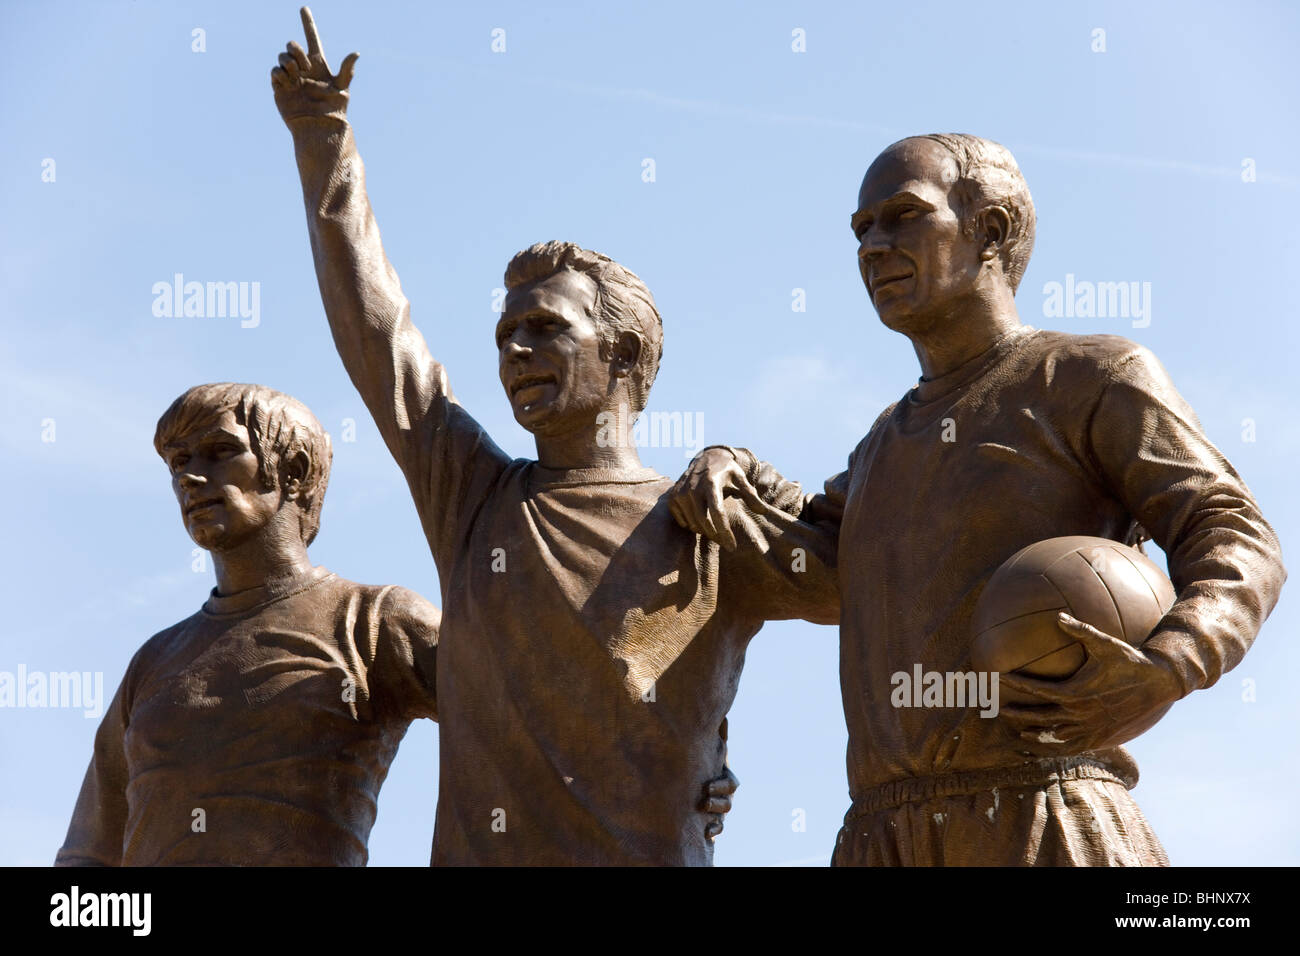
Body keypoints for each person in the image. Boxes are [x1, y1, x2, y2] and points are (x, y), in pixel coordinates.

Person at [271, 8, 838, 865]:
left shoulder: (708, 521)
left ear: (625, 352)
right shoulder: (472, 497)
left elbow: (865, 573)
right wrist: (325, 147)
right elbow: (379, 334)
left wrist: (752, 469)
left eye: (543, 329)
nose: (515, 352)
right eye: (504, 336)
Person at [670, 134, 1286, 866]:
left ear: (989, 230)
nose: (873, 245)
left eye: (902, 216)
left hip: (1045, 812)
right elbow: (807, 555)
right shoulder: (879, 448)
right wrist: (729, 466)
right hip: (879, 835)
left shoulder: (1088, 375)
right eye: (861, 229)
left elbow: (1231, 532)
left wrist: (1175, 659)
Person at [56, 383, 440, 866]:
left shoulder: (375, 621)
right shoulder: (154, 661)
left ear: (294, 471)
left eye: (220, 452)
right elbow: (87, 856)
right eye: (179, 462)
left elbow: (529, 728)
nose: (191, 477)